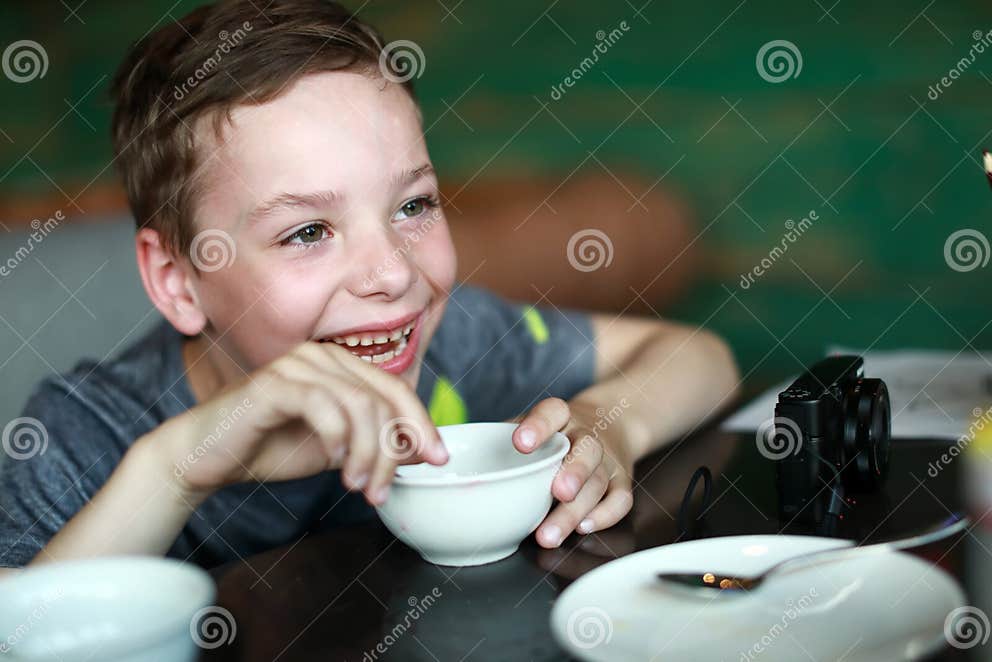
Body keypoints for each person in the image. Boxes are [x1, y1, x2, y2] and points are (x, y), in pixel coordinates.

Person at [0, 0, 739, 572]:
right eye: (308, 232)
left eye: (413, 206)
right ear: (178, 281)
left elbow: (699, 357)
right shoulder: (86, 435)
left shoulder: (455, 344)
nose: (393, 274)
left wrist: (608, 422)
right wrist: (176, 472)